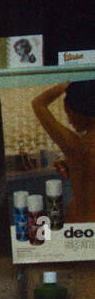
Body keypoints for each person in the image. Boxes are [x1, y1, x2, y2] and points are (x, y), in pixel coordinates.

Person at [33, 80, 95, 223]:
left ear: (81, 113)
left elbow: (38, 104)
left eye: (69, 113)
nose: (69, 120)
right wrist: (73, 165)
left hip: (83, 223)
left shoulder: (78, 146)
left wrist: (67, 82)